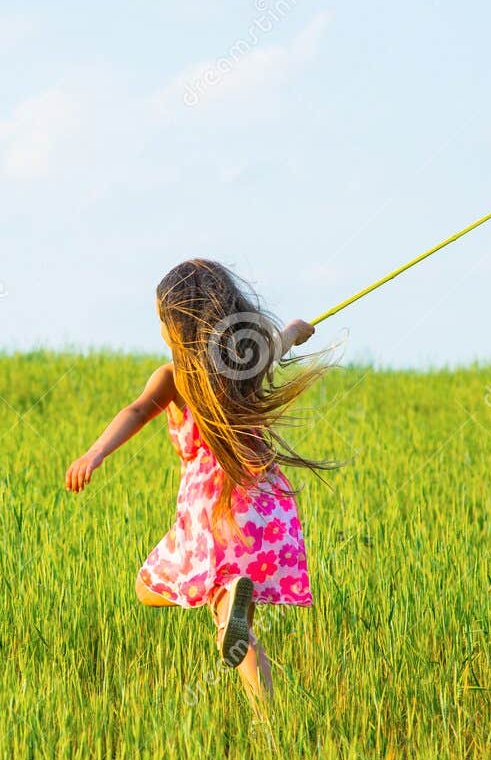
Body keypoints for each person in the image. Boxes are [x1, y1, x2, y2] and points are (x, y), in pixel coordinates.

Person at [63, 259, 332, 704]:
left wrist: (95, 453)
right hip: (265, 507)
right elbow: (279, 344)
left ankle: (223, 597)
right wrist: (293, 333)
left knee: (146, 588)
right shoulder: (245, 362)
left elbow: (135, 410)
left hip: (211, 510)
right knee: (230, 618)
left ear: (176, 327)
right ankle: (267, 720)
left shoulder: (174, 377)